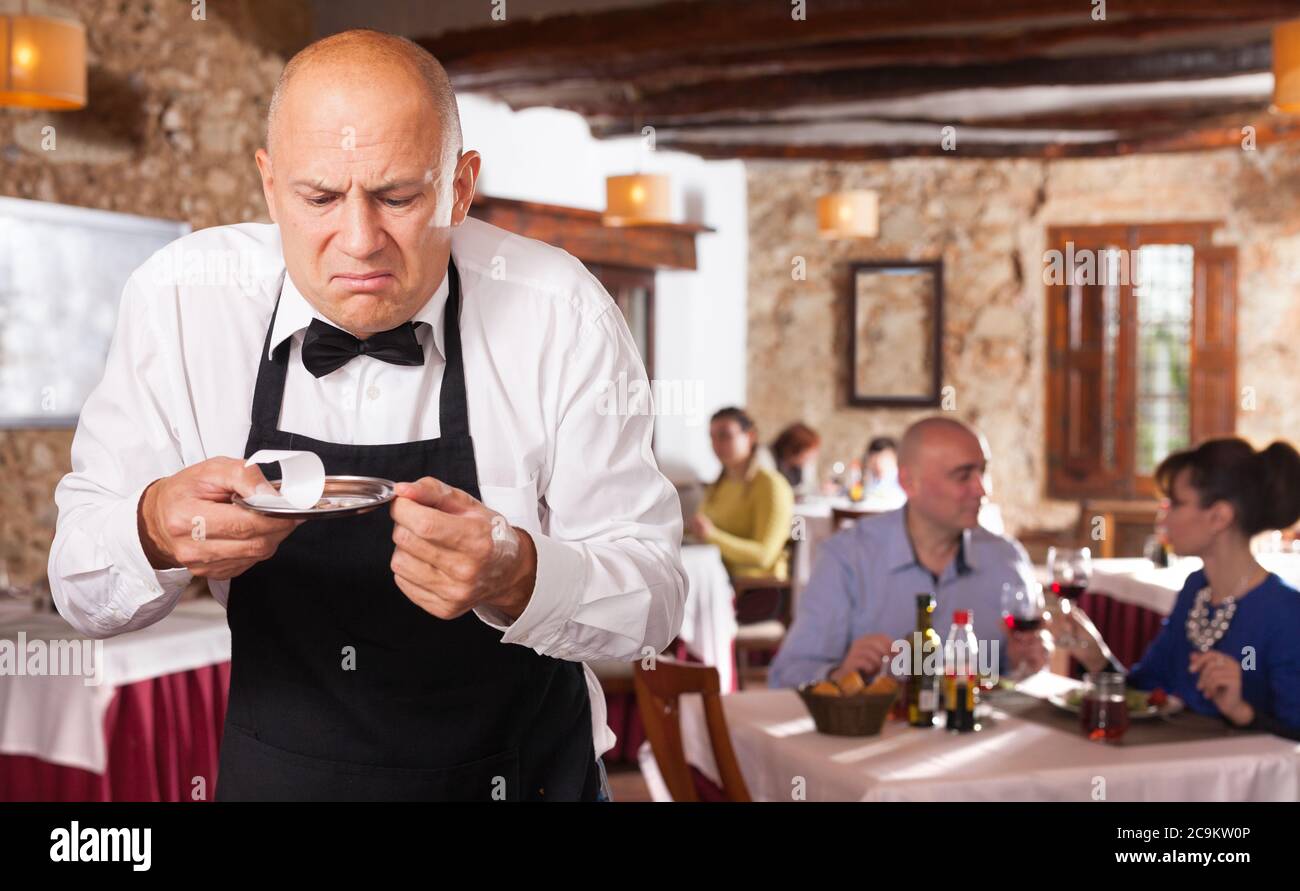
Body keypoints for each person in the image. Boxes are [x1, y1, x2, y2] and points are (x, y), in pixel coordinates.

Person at [46, 30, 686, 801]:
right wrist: (151, 526)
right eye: (319, 198)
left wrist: (517, 572)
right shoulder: (181, 301)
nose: (359, 241)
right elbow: (78, 582)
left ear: (460, 185)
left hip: (523, 780)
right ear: (269, 183)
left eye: (398, 197)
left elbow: (654, 597)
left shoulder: (559, 309)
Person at [769, 416, 1047, 687]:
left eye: (983, 472)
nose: (982, 489)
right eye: (963, 476)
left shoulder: (1007, 561)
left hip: (976, 730)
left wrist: (1026, 662)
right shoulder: (847, 558)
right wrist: (838, 674)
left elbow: (1014, 675)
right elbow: (787, 676)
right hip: (878, 732)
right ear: (908, 482)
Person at [1055, 438, 1300, 736]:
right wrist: (1097, 658)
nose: (1163, 517)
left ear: (1219, 517)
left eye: (1176, 504)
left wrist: (1242, 712)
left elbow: (1294, 744)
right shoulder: (1196, 589)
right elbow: (1146, 690)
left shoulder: (1285, 611)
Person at [687, 407, 794, 580]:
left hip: (756, 588)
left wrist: (711, 535)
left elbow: (764, 556)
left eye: (724, 436)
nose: (716, 444)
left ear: (750, 436)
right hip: (719, 577)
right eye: (712, 437)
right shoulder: (719, 483)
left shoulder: (771, 485)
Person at [771, 422, 821, 496]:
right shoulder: (767, 458)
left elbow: (808, 488)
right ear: (793, 449)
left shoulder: (798, 466)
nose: (811, 458)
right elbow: (773, 489)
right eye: (808, 453)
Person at [861, 435, 906, 507]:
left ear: (895, 457)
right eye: (874, 458)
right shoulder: (870, 477)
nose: (878, 462)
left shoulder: (902, 479)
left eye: (884, 458)